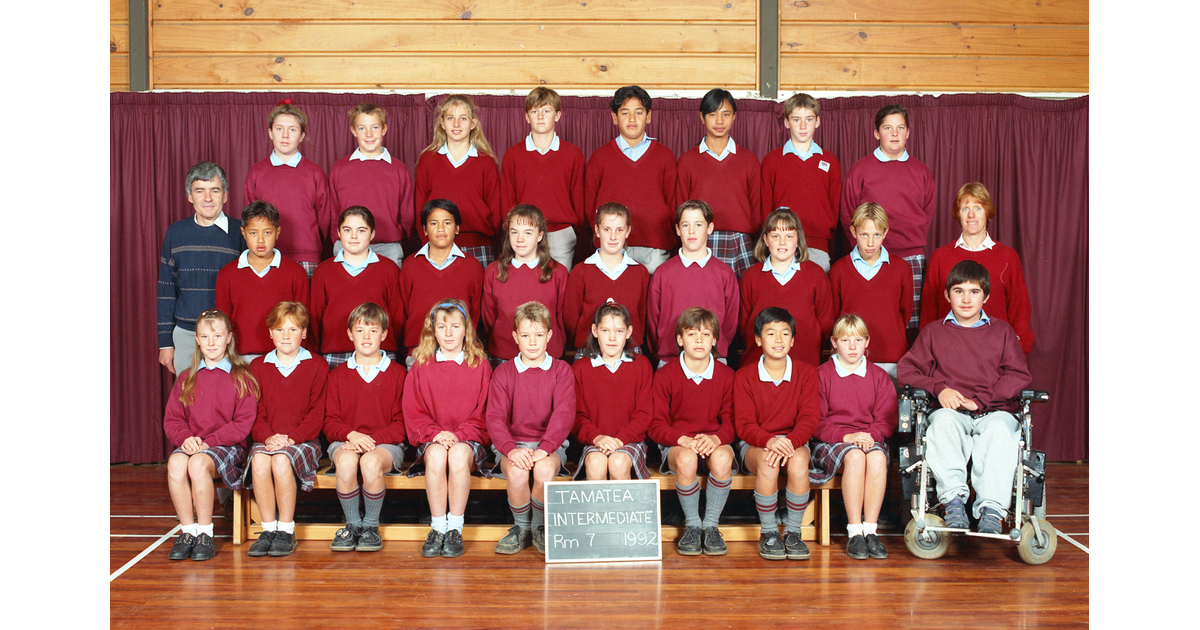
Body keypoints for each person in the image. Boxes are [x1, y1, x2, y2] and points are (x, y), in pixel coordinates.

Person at [897, 260, 1032, 534]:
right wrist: (939, 388)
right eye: (959, 291)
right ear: (947, 295)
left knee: (1000, 429)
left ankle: (992, 510)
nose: (966, 298)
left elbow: (1018, 376)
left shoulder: (1002, 332)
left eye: (974, 291)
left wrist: (981, 400)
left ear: (986, 296)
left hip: (993, 410)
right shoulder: (934, 332)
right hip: (951, 411)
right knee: (942, 423)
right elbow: (906, 369)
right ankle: (954, 503)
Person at [163, 309, 258, 561]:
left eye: (217, 336)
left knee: (196, 463)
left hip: (227, 448)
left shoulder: (241, 377)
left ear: (228, 337)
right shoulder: (187, 378)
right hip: (194, 444)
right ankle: (188, 532)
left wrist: (208, 443)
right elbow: (173, 420)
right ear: (197, 340)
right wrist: (185, 438)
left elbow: (242, 424)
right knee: (175, 461)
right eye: (205, 337)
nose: (211, 342)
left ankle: (205, 532)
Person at [404, 300, 493, 559]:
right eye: (442, 327)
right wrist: (435, 434)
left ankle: (454, 527)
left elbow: (485, 411)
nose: (449, 333)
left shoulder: (480, 365)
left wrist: (459, 435)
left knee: (455, 455)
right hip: (433, 438)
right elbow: (414, 409)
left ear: (466, 330)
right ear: (433, 331)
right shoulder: (421, 365)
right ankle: (438, 527)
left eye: (455, 326)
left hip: (469, 440)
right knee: (435, 455)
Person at [486, 302, 575, 555]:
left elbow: (564, 415)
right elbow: (494, 417)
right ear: (515, 337)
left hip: (550, 446)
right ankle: (521, 528)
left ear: (549, 336)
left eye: (538, 335)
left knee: (544, 471)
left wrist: (545, 449)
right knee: (516, 473)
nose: (532, 342)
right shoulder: (503, 373)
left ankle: (539, 527)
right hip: (513, 446)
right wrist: (511, 450)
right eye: (525, 336)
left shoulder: (561, 371)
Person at [647, 307, 737, 557]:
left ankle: (710, 525)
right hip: (679, 444)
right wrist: (681, 439)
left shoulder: (727, 376)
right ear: (679, 339)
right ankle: (693, 525)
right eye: (691, 334)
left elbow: (733, 423)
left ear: (715, 340)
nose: (699, 340)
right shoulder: (665, 376)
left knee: (721, 458)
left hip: (714, 441)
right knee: (687, 459)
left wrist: (716, 438)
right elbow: (655, 425)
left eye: (706, 334)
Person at [734, 307, 820, 561]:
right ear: (759, 340)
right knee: (768, 463)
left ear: (793, 340)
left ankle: (794, 531)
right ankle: (769, 531)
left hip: (794, 442)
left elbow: (809, 418)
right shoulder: (744, 376)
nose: (779, 340)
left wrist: (790, 442)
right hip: (757, 443)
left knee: (799, 462)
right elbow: (744, 424)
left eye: (785, 334)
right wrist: (771, 441)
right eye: (771, 333)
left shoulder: (806, 373)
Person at [840, 104, 935, 333]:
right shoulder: (860, 170)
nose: (894, 134)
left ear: (908, 133)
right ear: (876, 133)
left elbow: (927, 212)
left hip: (911, 256)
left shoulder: (921, 171)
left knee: (909, 323)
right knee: (868, 321)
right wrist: (865, 251)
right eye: (888, 128)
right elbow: (847, 214)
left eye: (900, 128)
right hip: (870, 256)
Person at [243, 302, 329, 558]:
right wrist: (269, 437)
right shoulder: (258, 366)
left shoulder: (317, 365)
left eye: (293, 329)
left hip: (303, 440)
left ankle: (286, 530)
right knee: (259, 461)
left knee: (280, 461)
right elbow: (255, 412)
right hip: (267, 438)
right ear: (270, 333)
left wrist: (291, 438)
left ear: (304, 333)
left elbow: (316, 414)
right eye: (280, 330)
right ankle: (268, 529)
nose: (286, 336)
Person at [323, 302, 409, 552]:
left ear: (383, 334)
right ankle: (352, 525)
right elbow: (329, 422)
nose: (366, 336)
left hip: (385, 444)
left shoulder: (398, 374)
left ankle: (370, 526)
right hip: (346, 441)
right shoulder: (337, 375)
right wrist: (351, 435)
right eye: (360, 330)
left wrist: (370, 441)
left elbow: (402, 424)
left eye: (373, 330)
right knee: (348, 462)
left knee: (370, 462)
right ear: (350, 334)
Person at [812, 314, 897, 560]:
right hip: (831, 441)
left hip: (869, 438)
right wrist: (847, 436)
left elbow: (886, 418)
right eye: (845, 340)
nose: (852, 346)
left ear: (867, 342)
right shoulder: (822, 374)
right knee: (857, 457)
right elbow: (816, 421)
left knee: (878, 458)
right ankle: (854, 532)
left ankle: (871, 530)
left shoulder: (879, 376)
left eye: (858, 340)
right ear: (834, 342)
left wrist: (870, 435)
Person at [920, 183, 1035, 355]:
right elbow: (928, 312)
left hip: (996, 353)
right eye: (965, 209)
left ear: (987, 212)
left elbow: (1020, 311)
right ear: (958, 214)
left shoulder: (1007, 257)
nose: (971, 215)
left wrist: (1018, 354)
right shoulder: (940, 257)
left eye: (978, 208)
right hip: (949, 353)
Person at [158, 161, 245, 376]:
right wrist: (165, 343)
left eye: (214, 190)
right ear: (189, 196)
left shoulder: (240, 232)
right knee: (189, 401)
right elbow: (166, 290)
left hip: (229, 335)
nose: (208, 198)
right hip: (187, 334)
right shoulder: (175, 233)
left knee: (230, 400)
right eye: (200, 191)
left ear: (225, 195)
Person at [584, 85, 677, 273]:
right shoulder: (600, 157)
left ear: (649, 116)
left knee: (652, 300)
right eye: (625, 113)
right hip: (612, 247)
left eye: (639, 112)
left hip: (655, 247)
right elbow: (589, 204)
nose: (632, 119)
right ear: (614, 117)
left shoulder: (664, 156)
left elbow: (673, 201)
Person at [676, 88, 761, 277]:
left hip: (739, 241)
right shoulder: (687, 161)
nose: (719, 121)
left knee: (739, 300)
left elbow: (757, 208)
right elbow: (681, 206)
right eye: (713, 114)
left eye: (726, 114)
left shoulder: (749, 160)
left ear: (734, 117)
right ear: (702, 117)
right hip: (699, 239)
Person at [501, 87, 586, 270]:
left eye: (546, 111)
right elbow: (507, 200)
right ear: (526, 117)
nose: (540, 116)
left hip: (561, 234)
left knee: (560, 290)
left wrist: (572, 229)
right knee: (527, 289)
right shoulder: (513, 154)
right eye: (534, 111)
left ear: (557, 115)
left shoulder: (573, 154)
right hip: (525, 232)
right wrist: (514, 231)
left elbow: (578, 200)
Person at [243, 100, 331, 276]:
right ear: (270, 133)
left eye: (292, 129)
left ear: (301, 136)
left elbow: (324, 220)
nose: (285, 135)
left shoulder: (315, 173)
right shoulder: (257, 172)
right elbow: (250, 218)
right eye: (279, 129)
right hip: (266, 256)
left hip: (306, 256)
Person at [738, 208, 834, 368]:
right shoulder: (750, 277)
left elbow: (826, 325)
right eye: (776, 236)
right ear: (766, 240)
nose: (782, 242)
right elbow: (743, 327)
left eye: (789, 236)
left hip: (805, 365)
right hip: (758, 367)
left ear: (798, 240)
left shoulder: (816, 275)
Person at [646, 200, 738, 366]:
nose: (692, 231)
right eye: (686, 225)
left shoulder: (725, 273)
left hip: (713, 360)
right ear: (678, 229)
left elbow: (730, 325)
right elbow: (653, 321)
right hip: (670, 360)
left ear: (709, 228)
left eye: (698, 225)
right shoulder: (663, 272)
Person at [215, 201, 310, 362]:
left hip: (285, 358)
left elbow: (303, 321)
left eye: (267, 233)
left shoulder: (296, 273)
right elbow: (222, 323)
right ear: (243, 233)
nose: (260, 240)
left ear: (277, 232)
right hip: (240, 359)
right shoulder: (227, 274)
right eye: (253, 233)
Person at [309, 206, 403, 368]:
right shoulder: (324, 271)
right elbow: (315, 318)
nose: (353, 236)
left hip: (380, 352)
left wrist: (398, 352)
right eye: (347, 230)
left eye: (361, 230)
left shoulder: (388, 269)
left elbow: (398, 316)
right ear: (338, 233)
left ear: (372, 233)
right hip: (333, 354)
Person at [827, 202, 913, 377]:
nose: (870, 242)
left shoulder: (901, 269)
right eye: (864, 235)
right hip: (848, 360)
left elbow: (906, 313)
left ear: (886, 233)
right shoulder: (839, 270)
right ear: (853, 232)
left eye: (877, 235)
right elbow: (834, 316)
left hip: (891, 359)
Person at [414, 94, 501, 266]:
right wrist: (429, 244)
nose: (456, 124)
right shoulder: (428, 160)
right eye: (450, 118)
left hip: (478, 245)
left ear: (473, 123)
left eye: (463, 118)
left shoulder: (486, 162)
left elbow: (495, 213)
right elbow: (420, 209)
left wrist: (486, 239)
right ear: (442, 123)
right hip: (437, 245)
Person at [571, 303, 654, 481]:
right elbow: (577, 416)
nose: (612, 338)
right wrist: (597, 438)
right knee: (595, 461)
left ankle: (624, 510)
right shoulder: (580, 368)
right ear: (595, 330)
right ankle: (596, 510)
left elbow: (644, 414)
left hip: (630, 441)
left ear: (629, 332)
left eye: (619, 331)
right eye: (605, 331)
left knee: (618, 462)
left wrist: (619, 440)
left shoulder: (641, 365)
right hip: (595, 441)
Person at [760, 92, 841, 271]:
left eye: (809, 119)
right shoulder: (772, 160)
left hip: (818, 245)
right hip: (780, 244)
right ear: (787, 122)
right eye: (797, 120)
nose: (803, 126)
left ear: (818, 122)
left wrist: (823, 234)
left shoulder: (830, 161)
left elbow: (834, 208)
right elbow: (766, 206)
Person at [397, 199, 485, 363]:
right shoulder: (410, 265)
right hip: (418, 352)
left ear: (457, 228)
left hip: (459, 353)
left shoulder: (472, 266)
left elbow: (475, 314)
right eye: (433, 223)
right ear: (424, 229)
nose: (441, 229)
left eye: (447, 223)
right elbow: (401, 313)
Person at [328, 102, 414, 268]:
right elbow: (333, 211)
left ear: (384, 129)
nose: (368, 134)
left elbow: (407, 215)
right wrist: (339, 240)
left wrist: (395, 236)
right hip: (347, 247)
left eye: (374, 127)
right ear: (353, 130)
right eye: (362, 128)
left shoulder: (398, 169)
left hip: (388, 246)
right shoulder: (340, 168)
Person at [481, 205, 569, 362]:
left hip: (547, 357)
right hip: (504, 356)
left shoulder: (557, 272)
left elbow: (562, 319)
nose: (519, 239)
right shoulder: (494, 271)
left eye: (528, 233)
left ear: (540, 235)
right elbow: (489, 319)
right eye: (514, 232)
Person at [562, 202, 649, 360]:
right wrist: (585, 339)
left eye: (619, 230)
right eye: (607, 229)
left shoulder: (640, 272)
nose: (613, 237)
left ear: (627, 231)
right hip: (589, 349)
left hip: (629, 349)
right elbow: (570, 318)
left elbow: (642, 316)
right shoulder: (581, 272)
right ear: (597, 230)